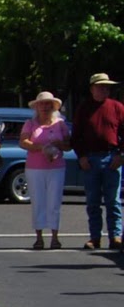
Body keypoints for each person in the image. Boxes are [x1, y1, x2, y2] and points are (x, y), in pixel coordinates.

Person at [72, 72, 124, 250]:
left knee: (113, 201)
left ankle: (115, 236)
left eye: (107, 87)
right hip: (91, 158)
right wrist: (82, 157)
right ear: (92, 88)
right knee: (93, 201)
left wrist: (120, 154)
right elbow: (76, 136)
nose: (104, 89)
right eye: (101, 86)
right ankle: (95, 237)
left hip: (112, 157)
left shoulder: (117, 107)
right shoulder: (84, 108)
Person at [21, 92, 70, 249]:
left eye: (48, 104)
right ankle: (39, 237)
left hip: (56, 167)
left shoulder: (60, 124)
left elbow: (69, 145)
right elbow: (23, 142)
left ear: (54, 107)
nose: (45, 107)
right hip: (35, 167)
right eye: (42, 104)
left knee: (54, 201)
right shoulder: (30, 123)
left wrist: (58, 144)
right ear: (37, 107)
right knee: (38, 201)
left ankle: (55, 236)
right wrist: (40, 147)